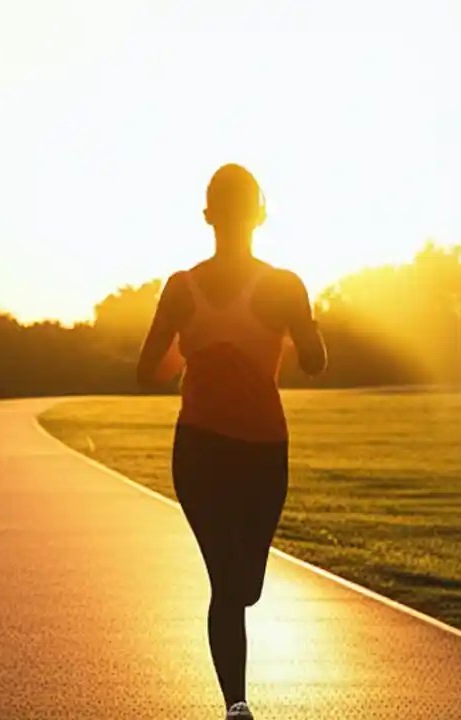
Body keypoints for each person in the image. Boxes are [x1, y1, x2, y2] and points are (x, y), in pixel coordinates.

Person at [137, 163, 327, 719]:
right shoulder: (271, 286)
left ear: (207, 215)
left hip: (244, 451)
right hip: (219, 451)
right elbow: (316, 363)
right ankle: (236, 705)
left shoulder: (195, 288)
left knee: (242, 587)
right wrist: (295, 329)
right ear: (260, 214)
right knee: (229, 581)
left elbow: (148, 369)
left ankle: (235, 698)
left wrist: (198, 353)